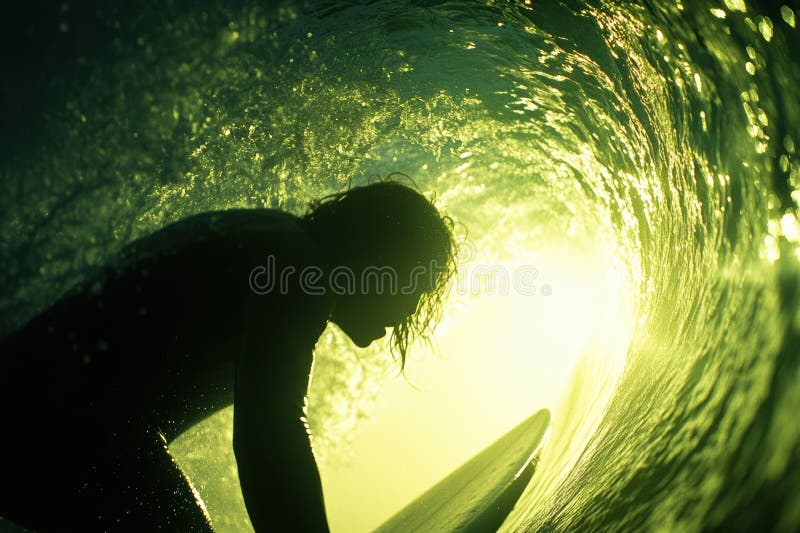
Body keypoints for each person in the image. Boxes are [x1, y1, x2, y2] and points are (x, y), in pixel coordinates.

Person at [0, 177, 458, 532]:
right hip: (59, 420)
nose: (407, 312)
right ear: (381, 254)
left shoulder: (271, 235)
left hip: (34, 403)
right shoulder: (298, 266)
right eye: (413, 285)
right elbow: (270, 435)